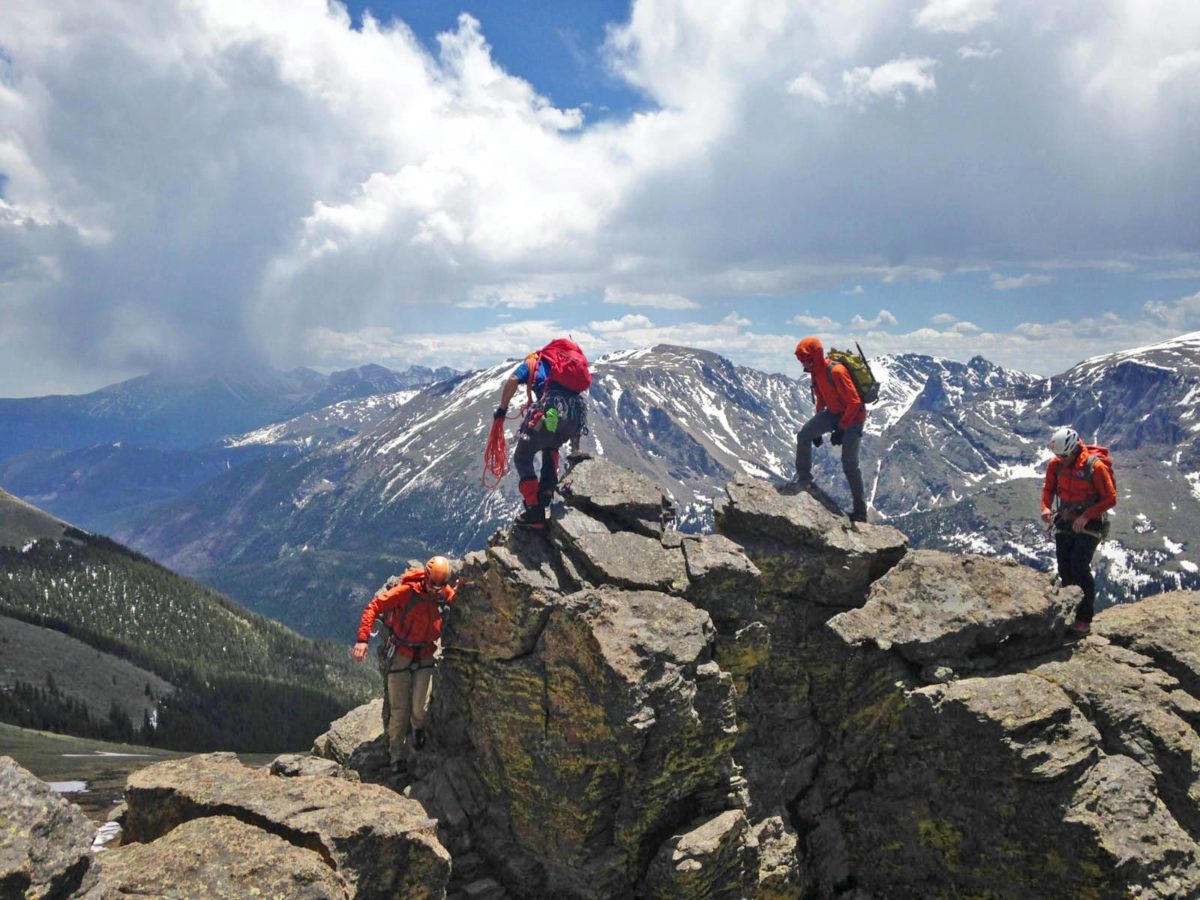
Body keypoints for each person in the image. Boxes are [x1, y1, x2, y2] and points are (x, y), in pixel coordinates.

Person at [352, 555, 460, 773]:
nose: (435, 589)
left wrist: (459, 590)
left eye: (440, 585)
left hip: (425, 653)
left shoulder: (440, 591)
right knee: (399, 711)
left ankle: (418, 728)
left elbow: (451, 598)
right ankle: (396, 757)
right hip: (402, 652)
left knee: (420, 707)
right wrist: (362, 639)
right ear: (426, 577)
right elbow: (374, 606)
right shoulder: (406, 592)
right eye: (432, 584)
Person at [493, 340, 590, 528]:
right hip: (573, 417)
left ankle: (534, 509)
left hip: (551, 412)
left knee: (522, 456)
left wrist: (502, 409)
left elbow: (513, 380)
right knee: (550, 447)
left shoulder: (533, 362)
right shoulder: (563, 364)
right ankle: (546, 493)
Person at [1040, 427, 1117, 636]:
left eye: (1064, 455)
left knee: (1079, 565)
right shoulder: (1056, 465)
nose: (1061, 459)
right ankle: (1070, 613)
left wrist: (1086, 516)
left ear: (1074, 449)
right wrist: (1045, 508)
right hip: (1066, 517)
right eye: (1058, 455)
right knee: (1065, 565)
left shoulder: (1095, 467)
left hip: (1091, 520)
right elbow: (1048, 489)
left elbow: (1110, 498)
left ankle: (1084, 619)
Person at [793, 336, 868, 522]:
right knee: (804, 435)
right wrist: (816, 427)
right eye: (802, 360)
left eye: (807, 359)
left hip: (854, 417)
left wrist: (841, 429)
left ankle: (860, 513)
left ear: (816, 356)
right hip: (834, 413)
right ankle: (804, 481)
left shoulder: (837, 371)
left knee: (850, 465)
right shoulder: (816, 374)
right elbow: (821, 399)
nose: (804, 364)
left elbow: (855, 402)